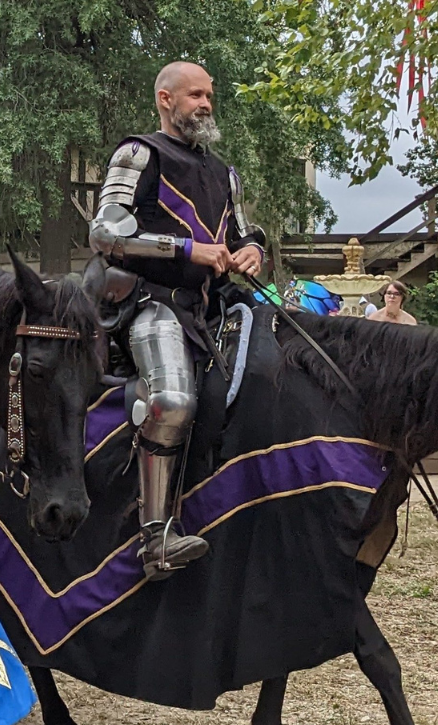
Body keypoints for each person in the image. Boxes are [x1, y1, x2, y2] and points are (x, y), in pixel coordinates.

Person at [88, 61, 266, 581]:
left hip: (211, 310)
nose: (206, 104)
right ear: (166, 100)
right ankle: (156, 537)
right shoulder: (138, 153)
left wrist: (252, 250)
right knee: (171, 401)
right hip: (151, 302)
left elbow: (242, 231)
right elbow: (105, 234)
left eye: (210, 95)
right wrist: (187, 249)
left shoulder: (223, 172)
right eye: (195, 95)